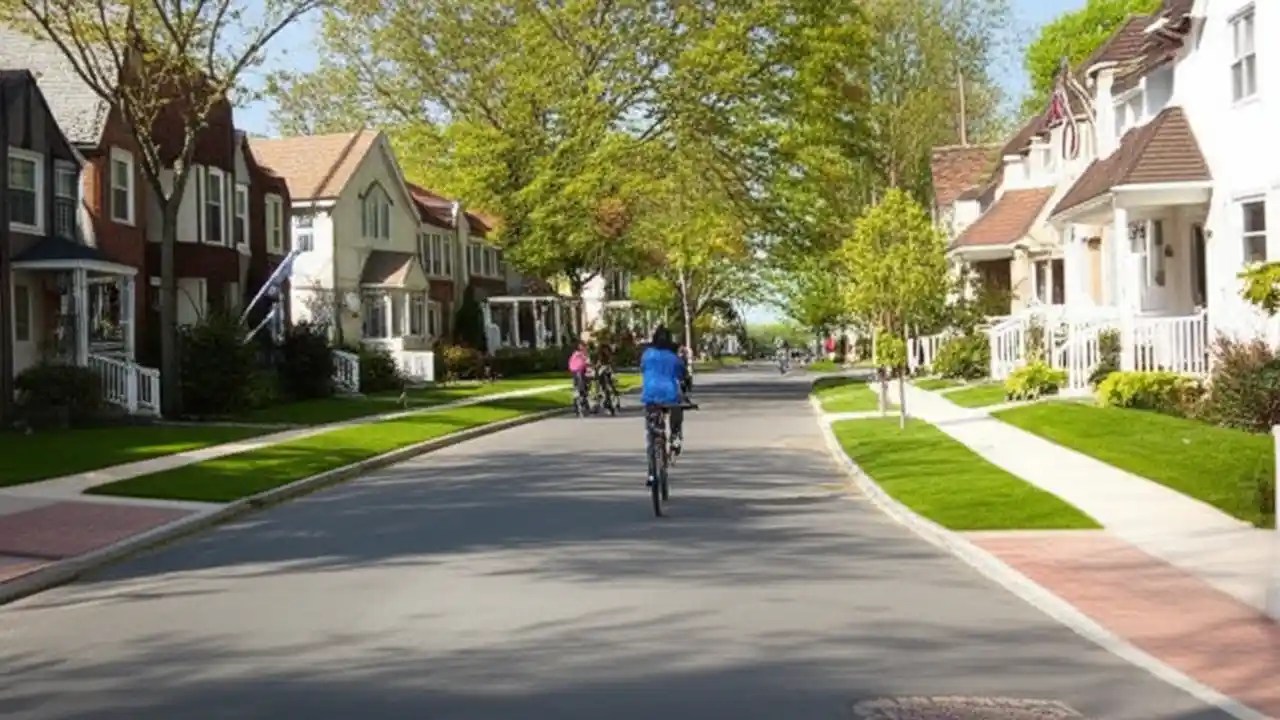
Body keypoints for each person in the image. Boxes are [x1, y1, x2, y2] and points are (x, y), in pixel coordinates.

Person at [641, 326, 687, 481]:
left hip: (650, 396)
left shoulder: (647, 355)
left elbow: (643, 369)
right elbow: (682, 374)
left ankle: (651, 471)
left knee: (651, 433)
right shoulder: (673, 357)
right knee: (677, 409)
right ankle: (675, 437)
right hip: (669, 395)